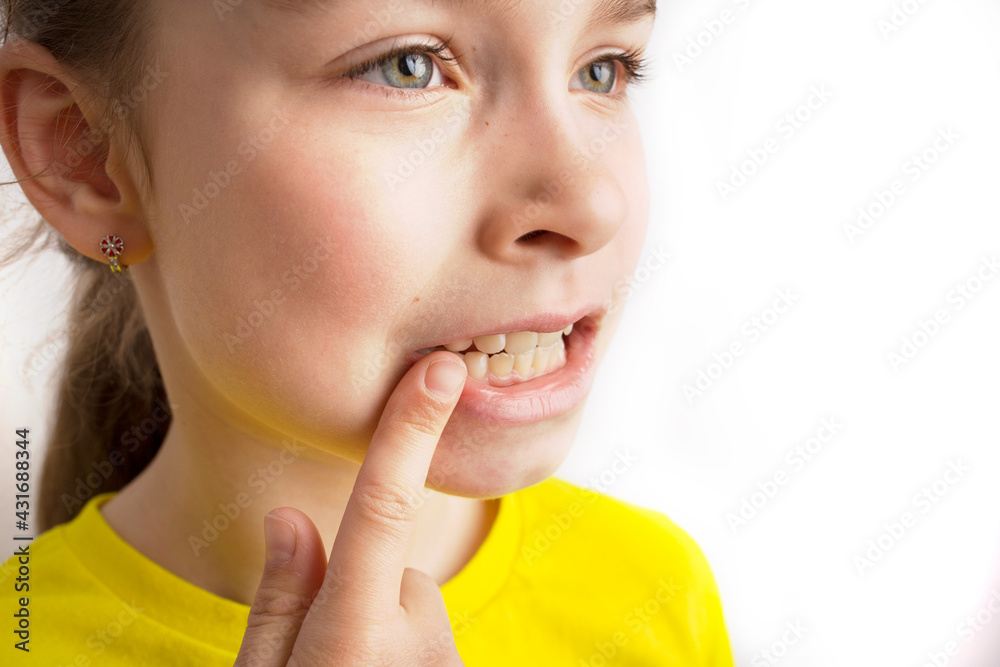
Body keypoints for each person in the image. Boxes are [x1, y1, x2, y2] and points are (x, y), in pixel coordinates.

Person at [0, 0, 735, 664]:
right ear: (85, 156)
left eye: (603, 70)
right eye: (406, 66)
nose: (588, 202)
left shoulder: (656, 590)